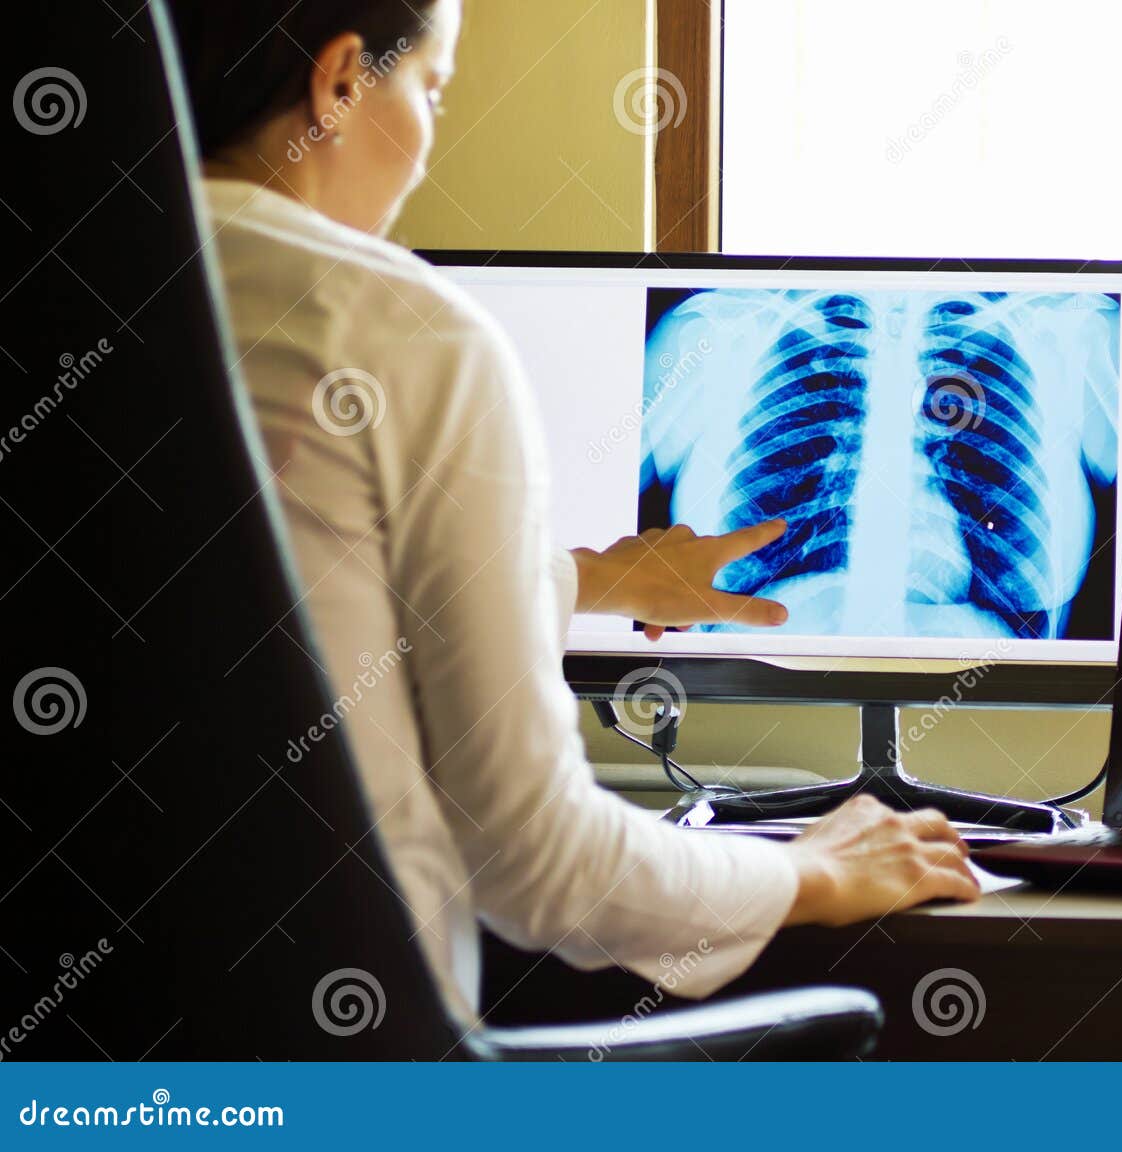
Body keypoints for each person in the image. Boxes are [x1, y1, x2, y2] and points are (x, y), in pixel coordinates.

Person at [167, 0, 979, 1022]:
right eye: (432, 91)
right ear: (338, 83)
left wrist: (588, 580)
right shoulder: (400, 329)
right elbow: (538, 862)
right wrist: (810, 872)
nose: (427, 145)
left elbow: (266, 600)